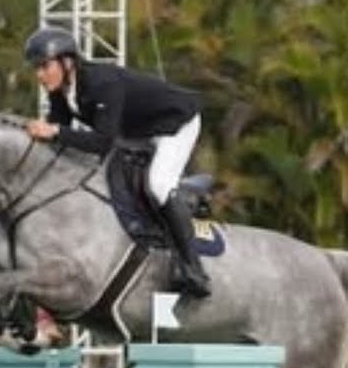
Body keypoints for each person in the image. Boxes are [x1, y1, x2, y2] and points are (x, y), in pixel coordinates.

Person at [22, 26, 211, 298]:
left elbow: (100, 143)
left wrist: (53, 132)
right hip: (138, 133)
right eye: (36, 69)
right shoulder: (61, 91)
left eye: (44, 66)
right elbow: (60, 133)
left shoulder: (102, 83)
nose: (40, 75)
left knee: (158, 185)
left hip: (175, 124)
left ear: (67, 61)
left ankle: (194, 269)